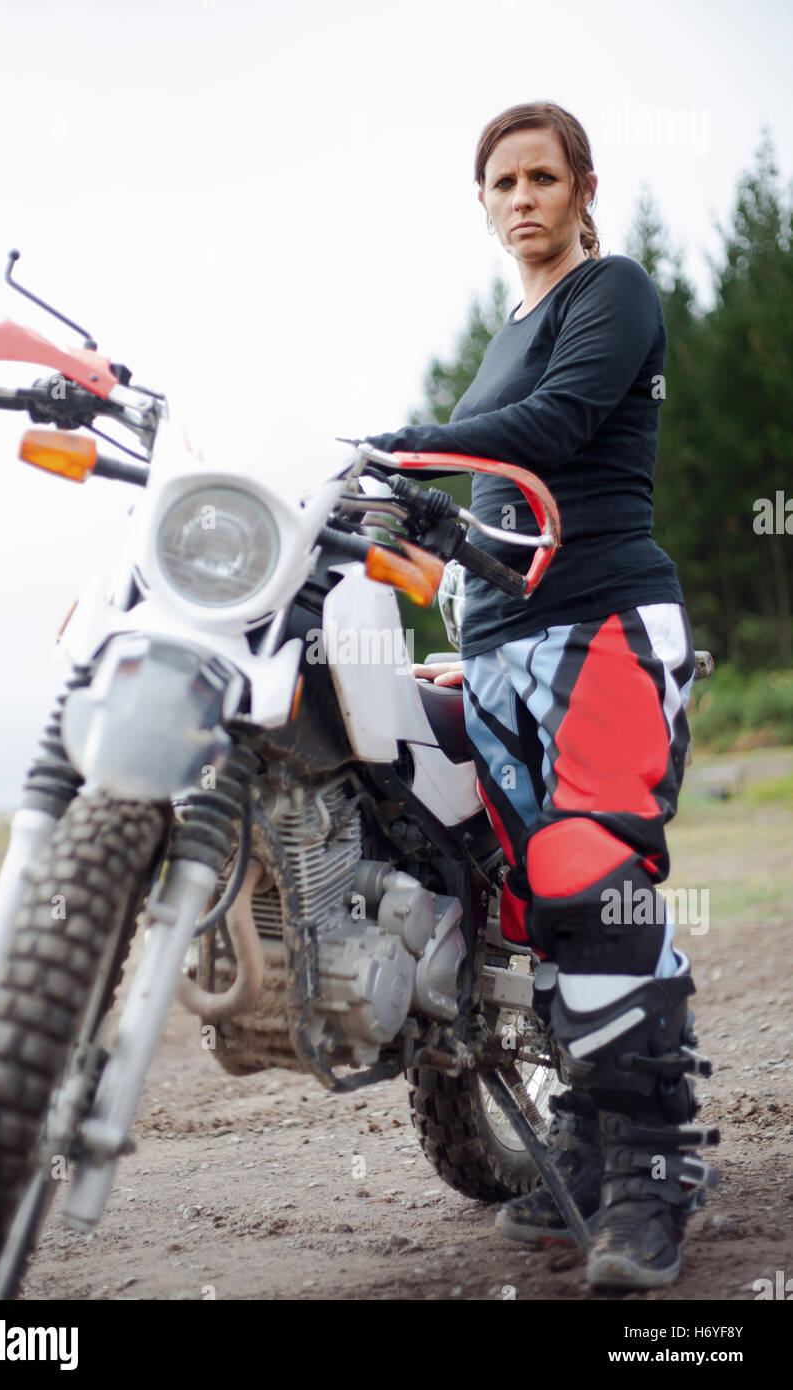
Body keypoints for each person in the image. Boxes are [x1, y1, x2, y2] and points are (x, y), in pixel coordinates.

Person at [363, 100, 718, 1291]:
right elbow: (489, 503)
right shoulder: (504, 329)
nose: (520, 197)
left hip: (600, 622)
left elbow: (556, 428)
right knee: (534, 904)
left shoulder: (607, 292)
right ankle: (590, 1130)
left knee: (588, 873)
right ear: (481, 202)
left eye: (540, 177)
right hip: (505, 641)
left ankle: (657, 1166)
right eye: (500, 182)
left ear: (579, 189)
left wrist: (400, 445)